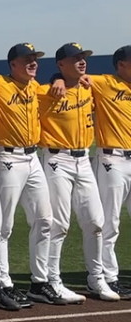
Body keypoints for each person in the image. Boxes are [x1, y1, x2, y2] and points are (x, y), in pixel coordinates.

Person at [37, 52, 115, 302]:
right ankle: (53, 280)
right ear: (61, 64)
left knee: (96, 222)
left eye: (83, 58)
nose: (82, 62)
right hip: (57, 159)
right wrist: (56, 80)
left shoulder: (88, 87)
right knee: (59, 223)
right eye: (76, 58)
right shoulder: (46, 91)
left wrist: (61, 77)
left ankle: (96, 278)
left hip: (84, 160)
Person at [0, 44, 50, 307]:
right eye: (26, 59)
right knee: (2, 225)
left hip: (33, 157)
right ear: (12, 64)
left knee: (44, 219)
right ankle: (1, 282)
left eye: (35, 59)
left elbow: (62, 89)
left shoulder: (35, 87)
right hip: (6, 156)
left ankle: (40, 283)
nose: (33, 63)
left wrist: (65, 81)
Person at [77, 44, 131, 299]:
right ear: (121, 64)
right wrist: (56, 79)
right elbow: (79, 78)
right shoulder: (104, 82)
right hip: (113, 159)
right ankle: (109, 276)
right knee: (110, 222)